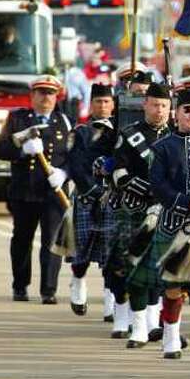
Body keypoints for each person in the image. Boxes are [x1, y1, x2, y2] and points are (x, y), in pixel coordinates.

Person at [133, 88, 190, 359]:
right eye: (187, 110)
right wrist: (185, 202)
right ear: (175, 113)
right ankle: (170, 339)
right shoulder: (163, 147)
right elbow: (158, 186)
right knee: (172, 285)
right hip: (172, 222)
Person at [0, 75, 73, 304]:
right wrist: (21, 150)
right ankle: (20, 286)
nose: (45, 97)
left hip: (53, 192)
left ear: (57, 97)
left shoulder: (65, 122)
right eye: (41, 93)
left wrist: (64, 173)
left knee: (51, 242)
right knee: (22, 240)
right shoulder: (17, 119)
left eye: (50, 93)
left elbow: (76, 155)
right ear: (32, 96)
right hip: (24, 191)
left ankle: (49, 290)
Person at [110, 82, 173, 348]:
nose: (159, 111)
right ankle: (137, 328)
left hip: (168, 211)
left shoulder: (177, 138)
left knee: (160, 269)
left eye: (165, 106)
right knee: (133, 267)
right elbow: (119, 173)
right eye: (155, 105)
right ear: (145, 104)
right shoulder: (129, 134)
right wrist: (151, 192)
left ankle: (153, 322)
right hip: (135, 209)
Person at [65, 83, 117, 318]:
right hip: (87, 196)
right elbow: (76, 166)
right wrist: (94, 190)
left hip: (113, 198)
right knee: (82, 249)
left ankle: (110, 302)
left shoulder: (120, 131)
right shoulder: (81, 132)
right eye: (98, 101)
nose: (103, 106)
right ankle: (78, 281)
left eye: (106, 101)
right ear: (91, 104)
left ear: (113, 104)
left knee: (111, 253)